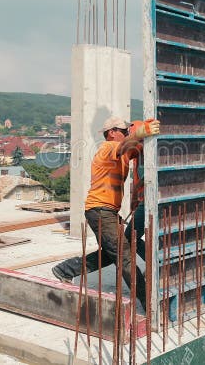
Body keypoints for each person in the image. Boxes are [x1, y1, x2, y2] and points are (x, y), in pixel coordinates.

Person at [52, 116, 159, 309]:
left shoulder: (124, 153)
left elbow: (139, 150)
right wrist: (142, 132)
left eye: (129, 131)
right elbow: (127, 144)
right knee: (124, 256)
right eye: (124, 131)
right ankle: (147, 301)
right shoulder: (107, 147)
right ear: (112, 133)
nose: (128, 133)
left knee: (111, 254)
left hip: (106, 211)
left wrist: (148, 139)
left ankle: (65, 269)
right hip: (100, 210)